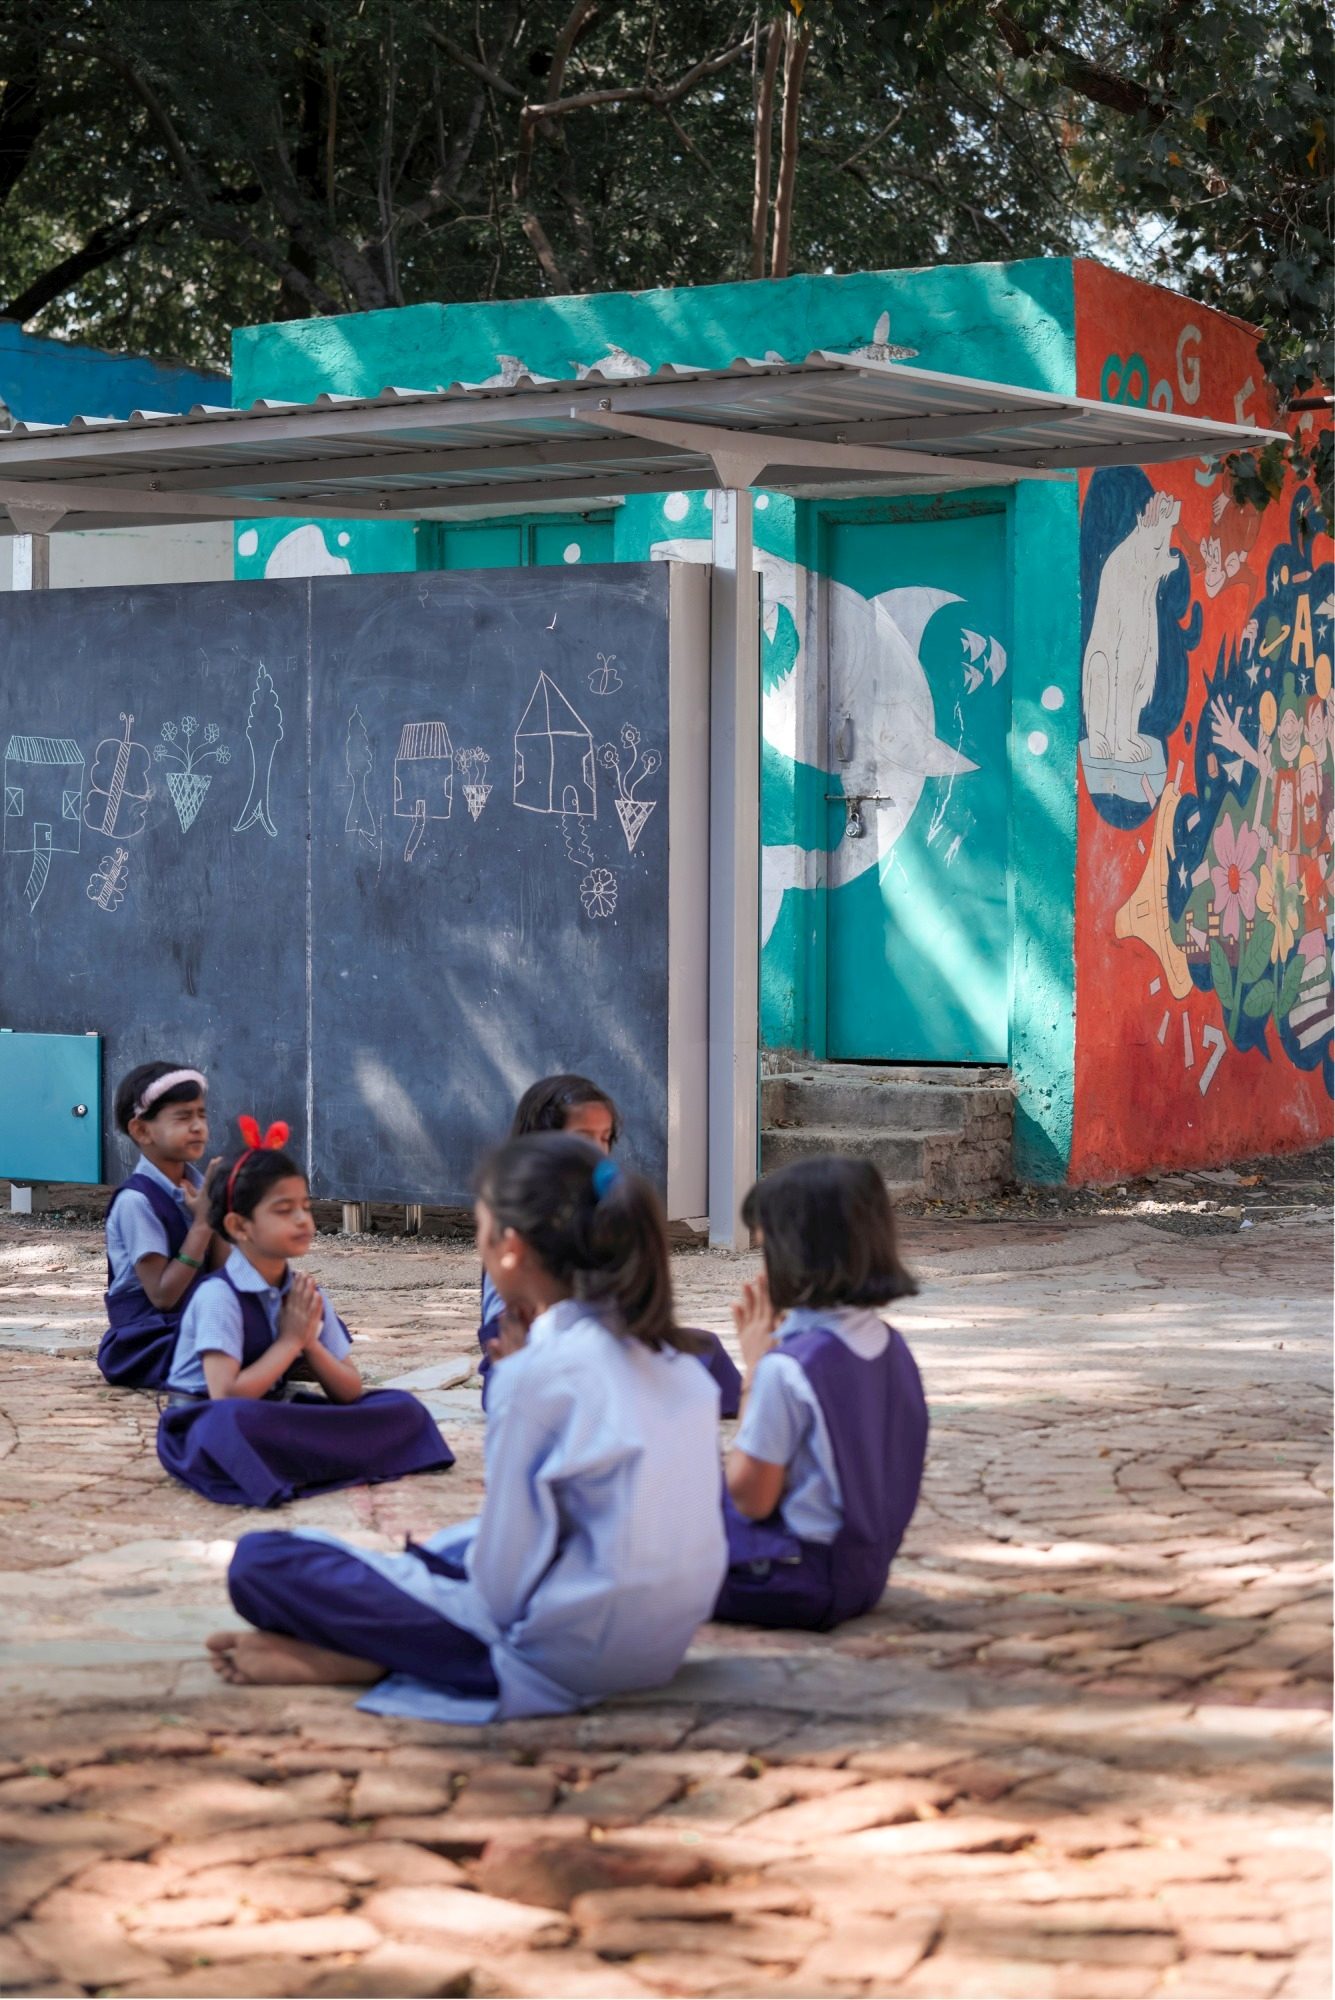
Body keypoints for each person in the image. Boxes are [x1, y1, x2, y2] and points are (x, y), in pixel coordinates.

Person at [208, 1133, 727, 1721]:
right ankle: (395, 1642)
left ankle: (374, 1658)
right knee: (448, 1547)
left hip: (560, 1655)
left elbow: (502, 1592)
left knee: (262, 1562)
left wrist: (423, 1581)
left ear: (508, 1249)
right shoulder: (680, 1363)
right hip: (663, 1642)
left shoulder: (537, 1374)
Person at [156, 1118, 453, 1507]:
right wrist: (290, 1341)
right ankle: (304, 1462)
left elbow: (348, 1391)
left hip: (271, 1416)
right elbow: (226, 1397)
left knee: (402, 1408)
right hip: (210, 1423)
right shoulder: (218, 1295)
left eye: (305, 1207)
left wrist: (310, 1344)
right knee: (228, 1426)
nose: (302, 1220)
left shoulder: (304, 1293)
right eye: (284, 1210)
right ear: (239, 1225)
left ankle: (300, 1461)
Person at [714, 1156, 928, 1633]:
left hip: (793, 1580)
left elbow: (751, 1499)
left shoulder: (787, 1369)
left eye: (766, 1248)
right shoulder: (890, 1346)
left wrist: (755, 1372)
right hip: (864, 1575)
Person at [477, 1074, 741, 1417]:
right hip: (539, 1344)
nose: (597, 1151)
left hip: (606, 1336)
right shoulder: (515, 1215)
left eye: (605, 1138)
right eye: (583, 1138)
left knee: (707, 1351)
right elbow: (503, 1318)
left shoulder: (613, 1206)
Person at [98, 1062, 222, 1389]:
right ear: (141, 1131)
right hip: (147, 1337)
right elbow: (163, 1296)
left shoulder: (199, 1187)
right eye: (183, 1117)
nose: (198, 1127)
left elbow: (223, 1275)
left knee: (292, 1309)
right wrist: (203, 1224)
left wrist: (223, 1211)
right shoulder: (136, 1202)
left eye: (202, 1115)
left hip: (193, 1320)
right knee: (239, 1342)